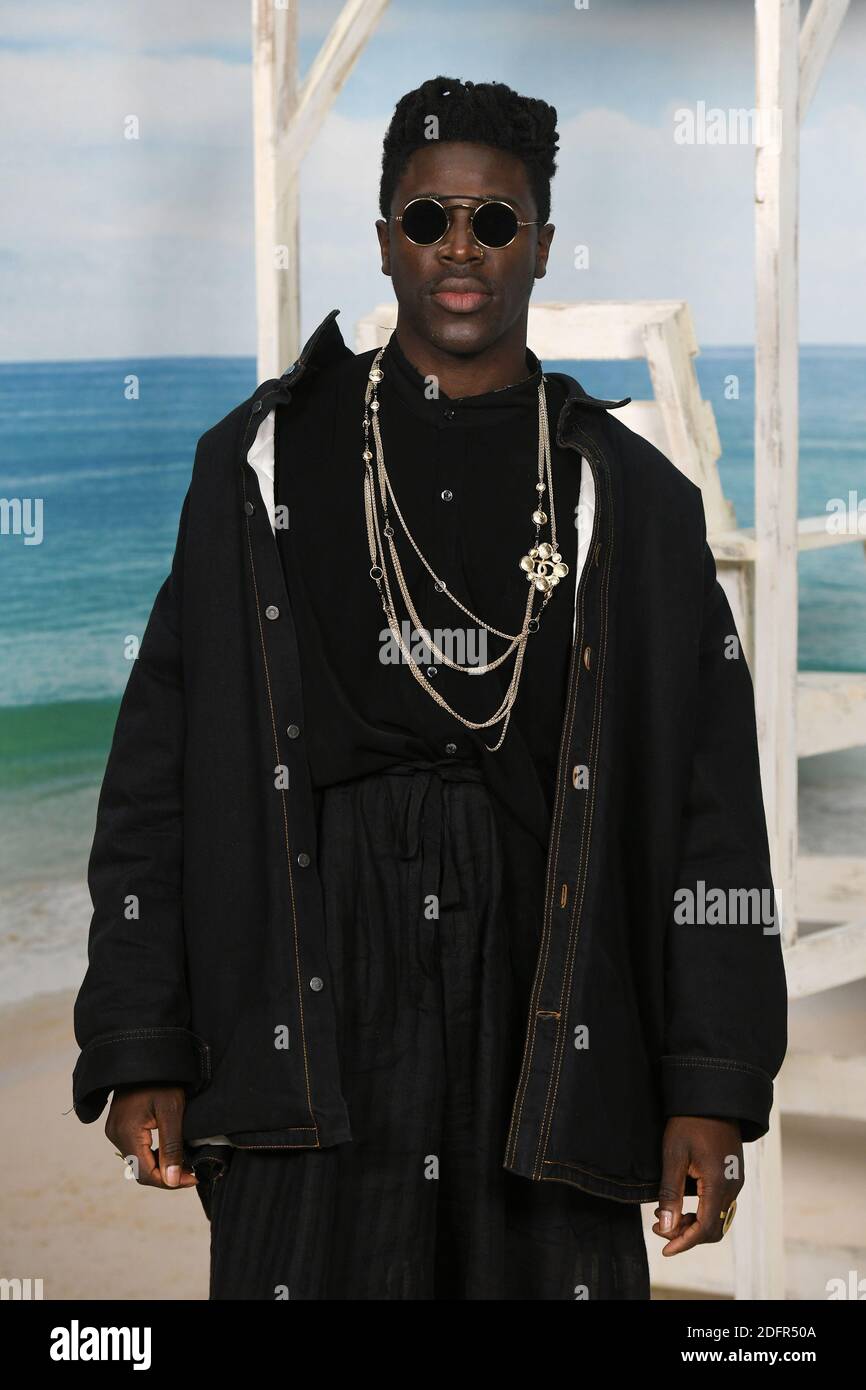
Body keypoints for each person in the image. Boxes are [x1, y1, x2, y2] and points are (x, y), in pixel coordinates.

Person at [72, 75, 787, 1301]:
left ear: (542, 246)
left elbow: (708, 819)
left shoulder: (632, 500)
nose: (461, 251)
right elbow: (157, 774)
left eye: (495, 223)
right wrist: (144, 1040)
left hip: (547, 990)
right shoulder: (258, 462)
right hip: (310, 986)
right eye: (428, 218)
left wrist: (711, 1086)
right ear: (386, 240)